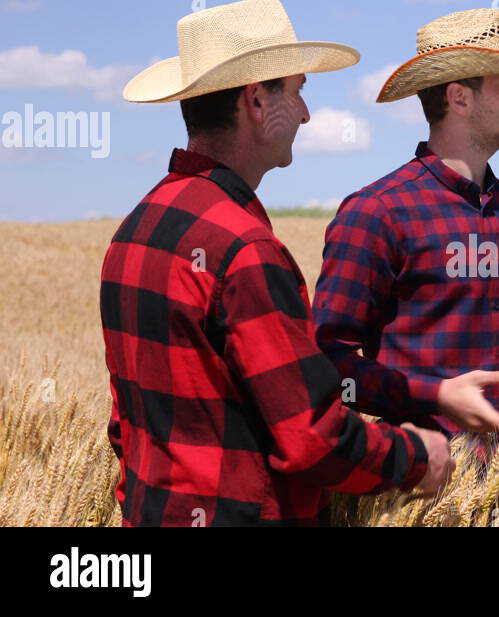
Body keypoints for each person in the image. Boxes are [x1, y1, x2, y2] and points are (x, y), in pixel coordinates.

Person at [100, 0, 453, 527]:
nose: (307, 114)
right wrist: (418, 456)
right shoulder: (243, 249)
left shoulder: (133, 230)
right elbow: (311, 438)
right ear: (257, 101)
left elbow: (125, 425)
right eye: (298, 91)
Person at [311, 8, 499, 452]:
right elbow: (326, 363)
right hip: (420, 495)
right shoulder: (377, 213)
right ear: (460, 97)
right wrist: (431, 397)